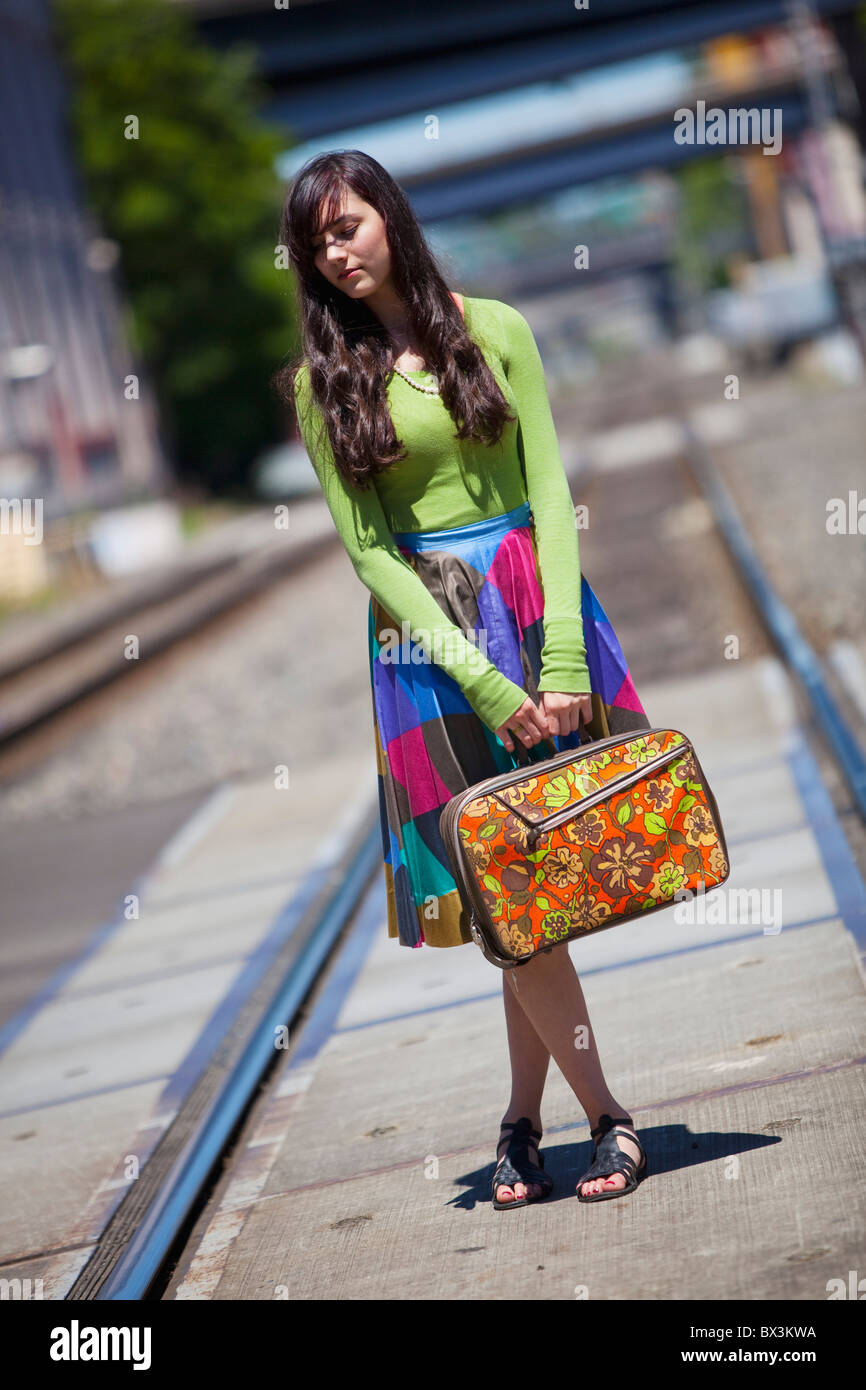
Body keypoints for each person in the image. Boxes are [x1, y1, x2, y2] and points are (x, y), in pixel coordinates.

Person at [274, 149, 650, 1208]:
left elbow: (548, 488)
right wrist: (482, 684)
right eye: (314, 245)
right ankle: (604, 1117)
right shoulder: (321, 386)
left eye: (346, 226)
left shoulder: (497, 329)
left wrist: (564, 653)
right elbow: (369, 554)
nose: (334, 253)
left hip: (533, 607)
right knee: (502, 894)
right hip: (428, 657)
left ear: (388, 215)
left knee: (534, 889)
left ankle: (523, 1127)